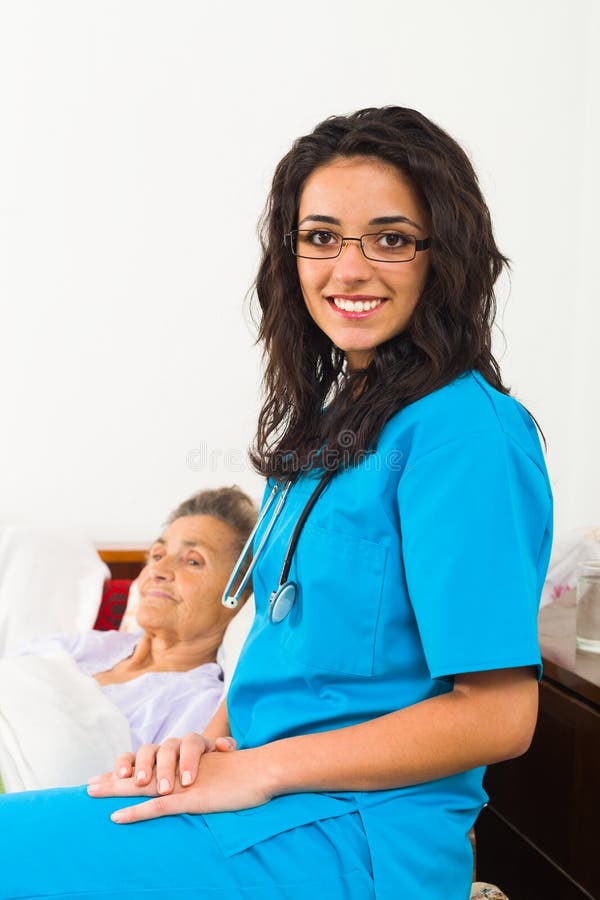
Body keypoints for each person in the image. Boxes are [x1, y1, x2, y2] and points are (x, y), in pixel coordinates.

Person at [0, 107, 552, 899]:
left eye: (391, 239)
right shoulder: (333, 427)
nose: (348, 269)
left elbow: (499, 716)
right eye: (321, 237)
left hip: (357, 835)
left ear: (446, 256)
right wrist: (201, 747)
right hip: (267, 799)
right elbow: (285, 653)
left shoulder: (466, 435)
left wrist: (256, 772)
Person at [0, 486, 257, 791]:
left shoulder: (201, 705)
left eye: (192, 561)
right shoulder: (86, 645)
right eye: (158, 554)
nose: (158, 570)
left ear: (239, 596)